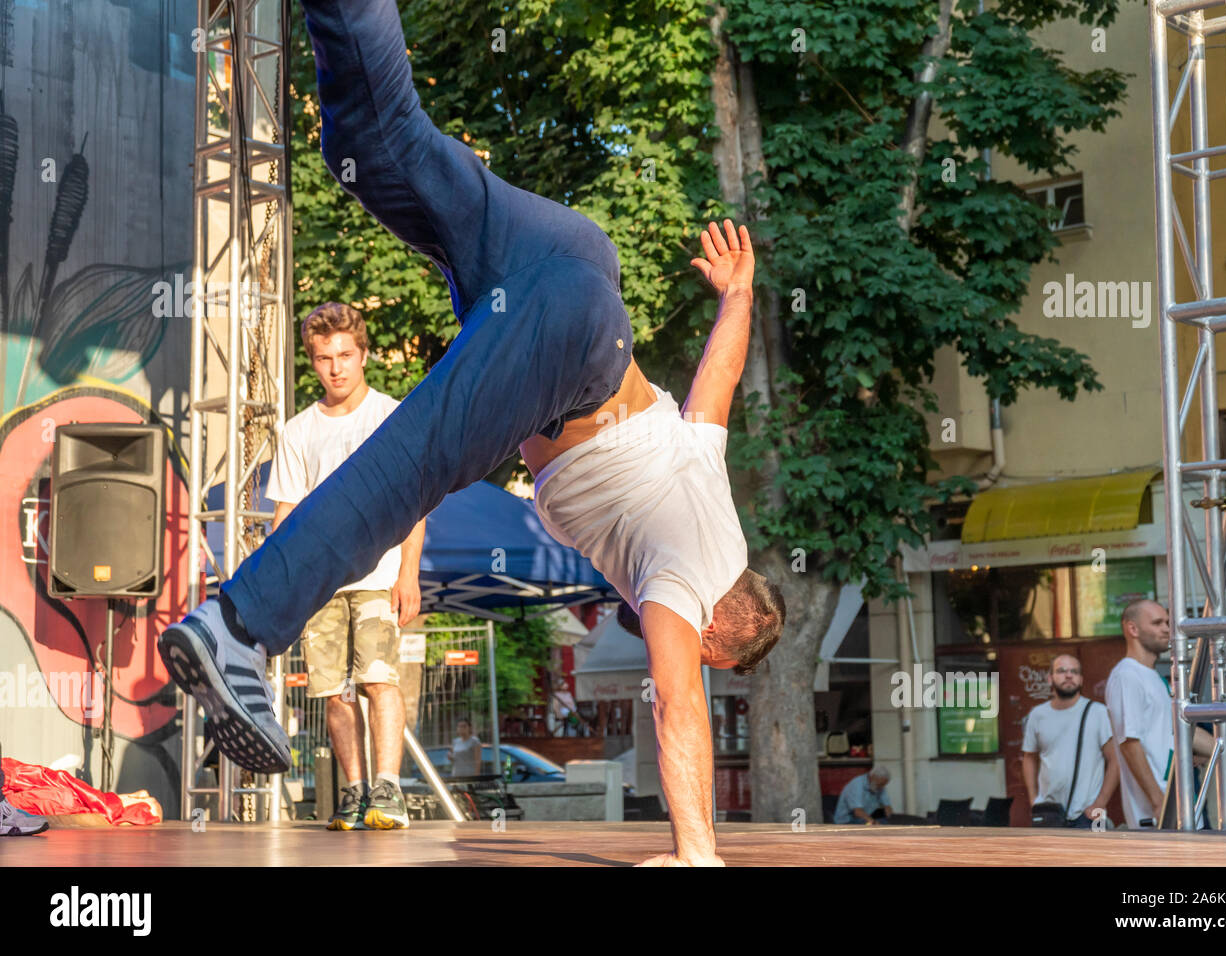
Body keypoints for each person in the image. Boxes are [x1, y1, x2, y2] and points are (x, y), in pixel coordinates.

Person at [159, 0, 785, 867]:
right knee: (418, 456)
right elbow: (679, 705)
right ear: (727, 627)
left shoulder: (711, 497)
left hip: (570, 266)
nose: (678, 645)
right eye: (711, 654)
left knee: (385, 148)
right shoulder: (691, 579)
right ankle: (241, 625)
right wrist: (697, 855)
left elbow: (712, 395)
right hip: (570, 343)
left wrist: (740, 295)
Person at [267, 302, 425, 830]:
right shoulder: (297, 431)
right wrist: (281, 580)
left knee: (379, 679)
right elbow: (285, 512)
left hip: (378, 578)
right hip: (320, 584)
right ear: (312, 362)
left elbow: (416, 501)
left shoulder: (390, 415)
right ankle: (355, 792)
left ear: (363, 355)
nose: (335, 367)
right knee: (332, 693)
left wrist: (409, 574)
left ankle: (389, 790)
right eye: (323, 358)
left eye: (345, 355)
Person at [1106, 599, 1226, 828]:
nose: (1167, 628)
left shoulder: (1155, 678)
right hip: (1160, 816)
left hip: (1182, 806)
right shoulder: (1126, 675)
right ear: (1132, 629)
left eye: (1167, 622)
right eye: (1157, 623)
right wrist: (1159, 802)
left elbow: (1188, 734)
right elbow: (1129, 742)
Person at [1021, 654, 1118, 828]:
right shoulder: (1037, 715)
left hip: (1088, 815)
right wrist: (1033, 798)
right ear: (1050, 679)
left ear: (1080, 680)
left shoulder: (1098, 713)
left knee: (1091, 856)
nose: (1068, 675)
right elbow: (1029, 757)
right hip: (1048, 812)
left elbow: (1116, 760)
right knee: (1048, 856)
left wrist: (1100, 802)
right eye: (1061, 671)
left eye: (1074, 671)